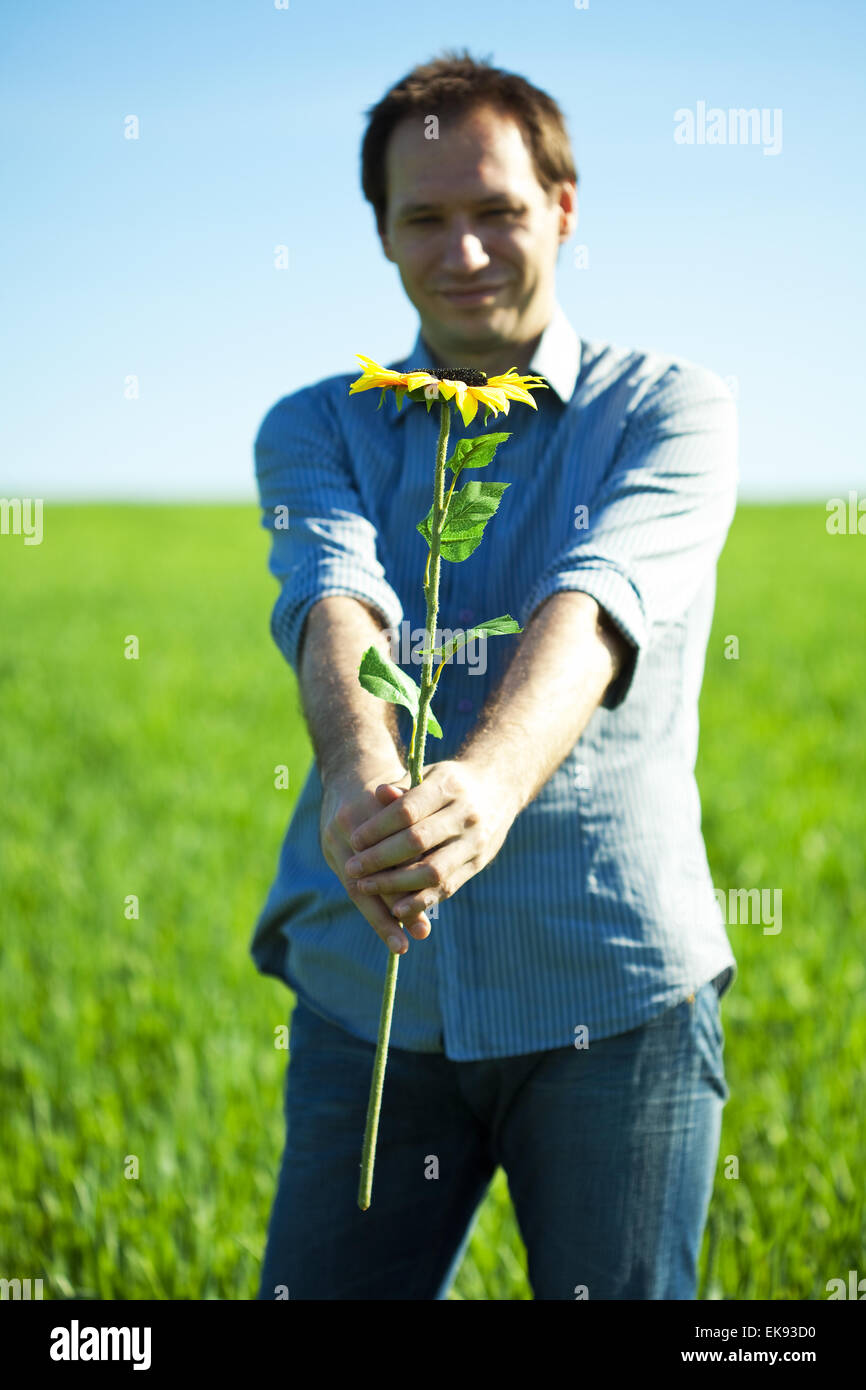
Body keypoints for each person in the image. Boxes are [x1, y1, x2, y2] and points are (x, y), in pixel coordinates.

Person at [251, 51, 737, 1301]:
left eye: (497, 212)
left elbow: (595, 600)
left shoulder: (668, 410)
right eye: (424, 218)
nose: (461, 251)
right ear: (381, 235)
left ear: (561, 209)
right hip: (373, 1000)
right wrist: (365, 770)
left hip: (608, 993)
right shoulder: (318, 425)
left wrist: (485, 778)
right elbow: (332, 594)